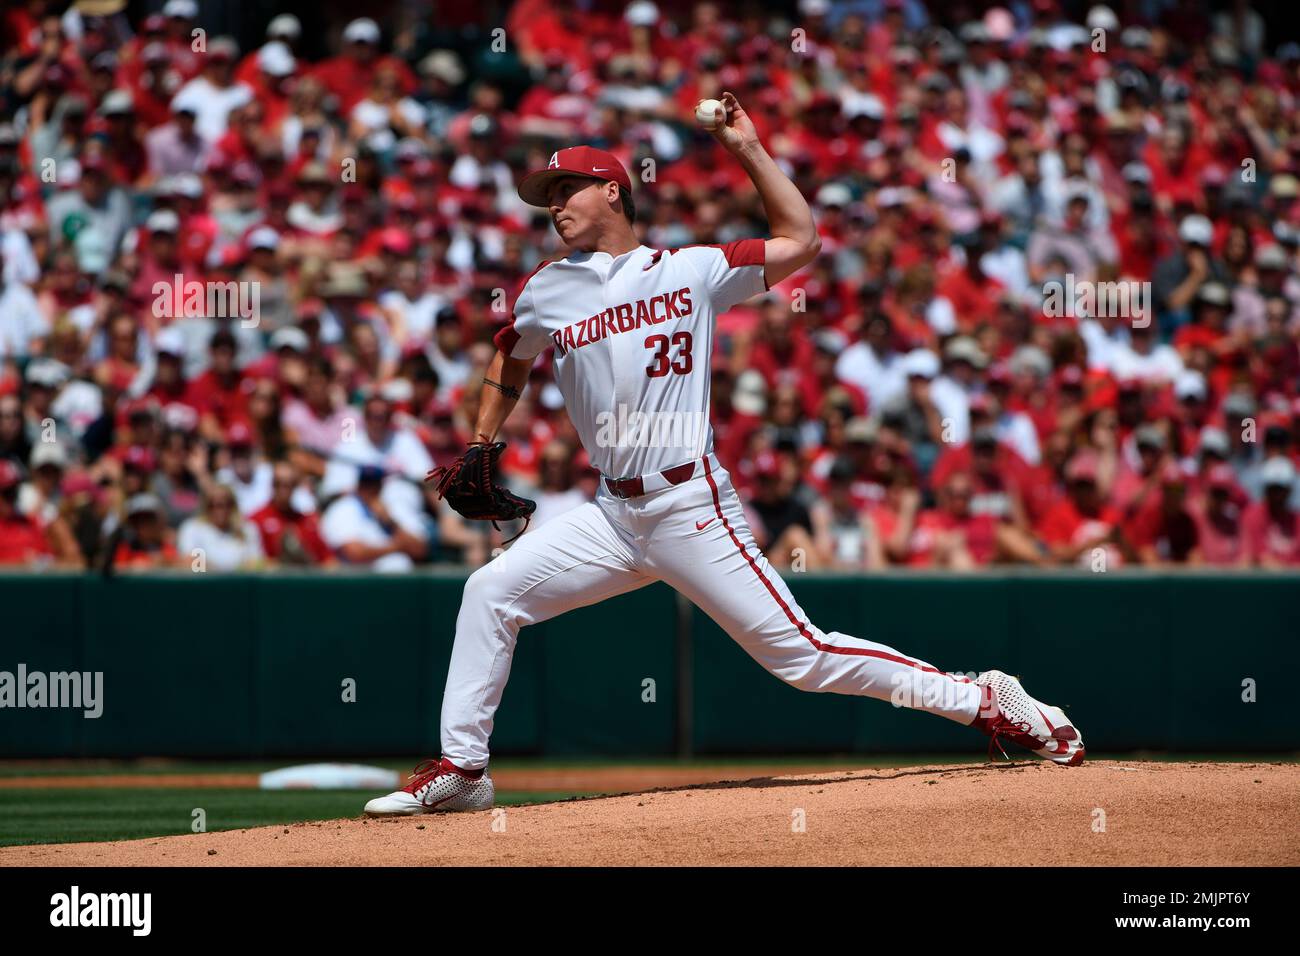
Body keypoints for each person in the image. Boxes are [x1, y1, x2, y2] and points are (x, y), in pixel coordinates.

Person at [364, 94, 1084, 817]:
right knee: (489, 593)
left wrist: (747, 149)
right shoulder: (545, 290)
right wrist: (483, 439)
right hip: (613, 514)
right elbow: (509, 362)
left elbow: (801, 240)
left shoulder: (691, 269)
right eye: (546, 195)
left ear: (614, 189)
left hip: (689, 504)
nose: (554, 205)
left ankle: (982, 698)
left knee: (802, 659)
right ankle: (464, 768)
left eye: (567, 188)